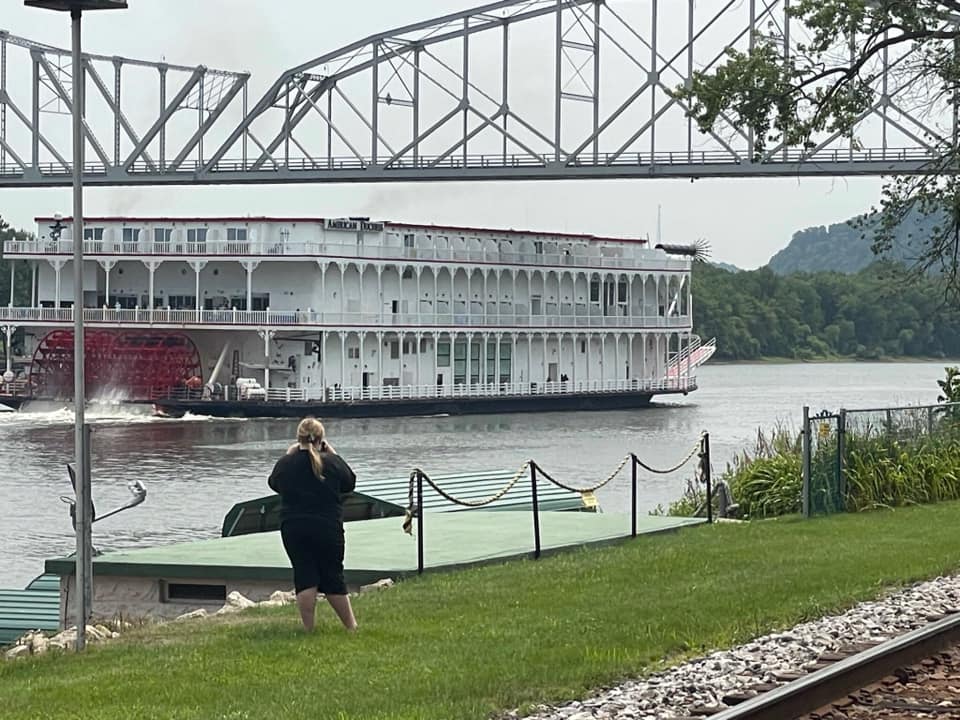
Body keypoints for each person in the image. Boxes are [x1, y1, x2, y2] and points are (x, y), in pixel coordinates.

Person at [267, 417, 358, 632]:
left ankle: (309, 627)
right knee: (333, 574)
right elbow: (350, 482)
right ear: (321, 440)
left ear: (298, 438)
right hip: (327, 526)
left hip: (294, 527)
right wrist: (333, 454)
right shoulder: (332, 462)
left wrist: (289, 454)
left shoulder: (287, 464)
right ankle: (351, 626)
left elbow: (273, 482)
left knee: (304, 574)